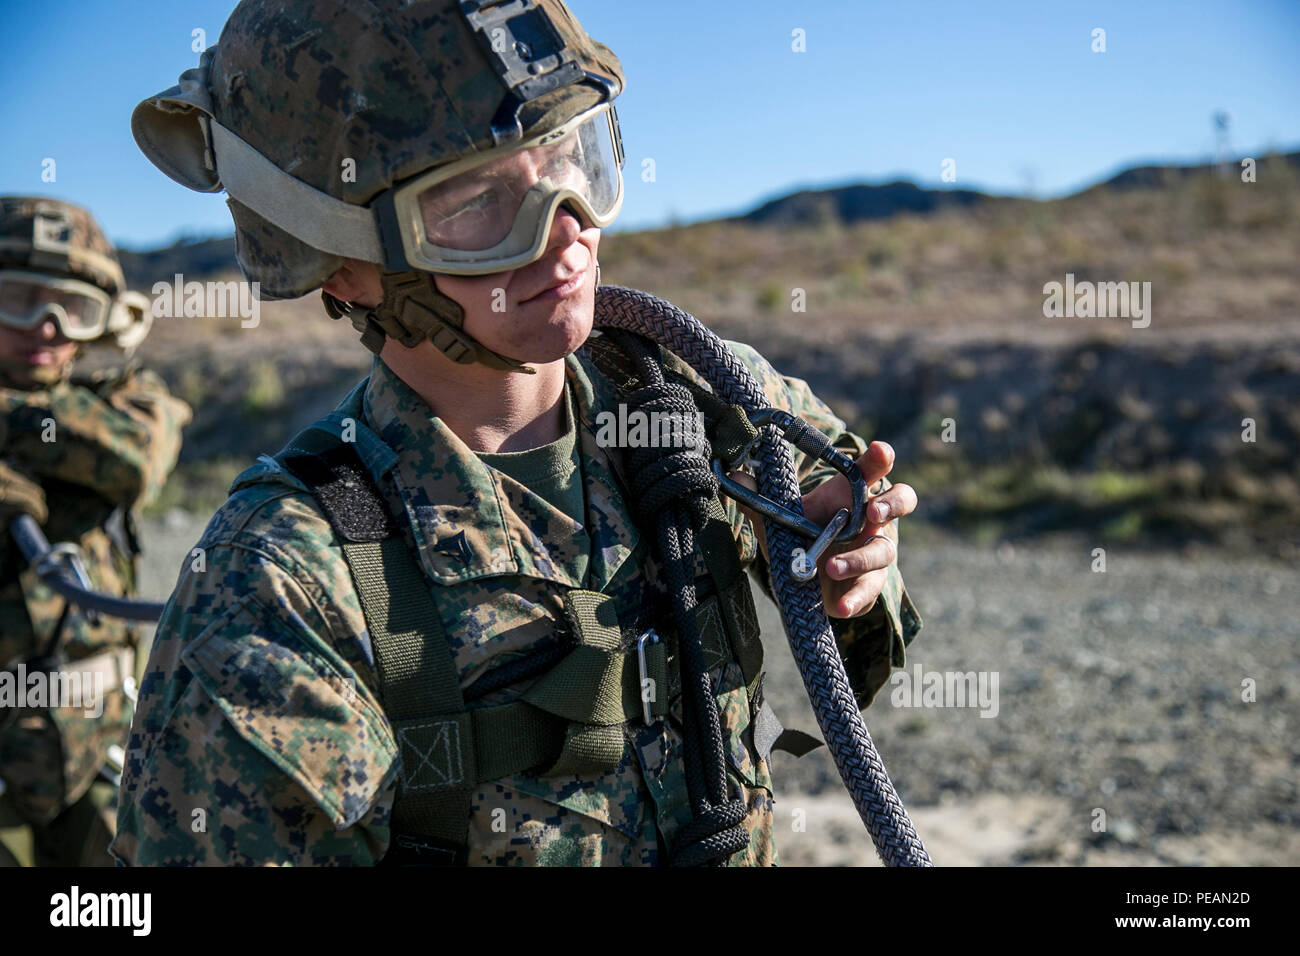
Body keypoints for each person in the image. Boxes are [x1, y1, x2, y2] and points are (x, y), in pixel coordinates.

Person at [113, 0, 922, 867]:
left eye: (573, 159)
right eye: (474, 201)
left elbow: (859, 617)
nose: (565, 229)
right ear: (336, 256)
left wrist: (851, 564)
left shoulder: (702, 395)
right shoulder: (276, 584)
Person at [0, 196, 191, 866]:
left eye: (72, 309)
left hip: (98, 745)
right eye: (18, 300)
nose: (45, 327)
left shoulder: (131, 397)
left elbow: (135, 455)